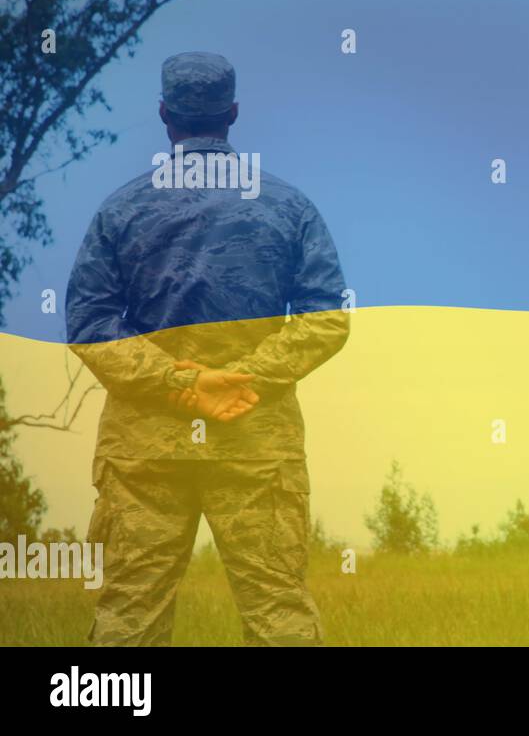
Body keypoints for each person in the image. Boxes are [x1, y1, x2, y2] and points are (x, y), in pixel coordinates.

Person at [65, 52, 350, 646]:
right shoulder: (289, 207)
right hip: (254, 444)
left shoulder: (120, 210)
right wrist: (238, 378)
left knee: (129, 615)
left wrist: (182, 384)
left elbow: (90, 324)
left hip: (145, 451)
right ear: (234, 114)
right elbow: (326, 321)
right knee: (277, 610)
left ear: (165, 116)